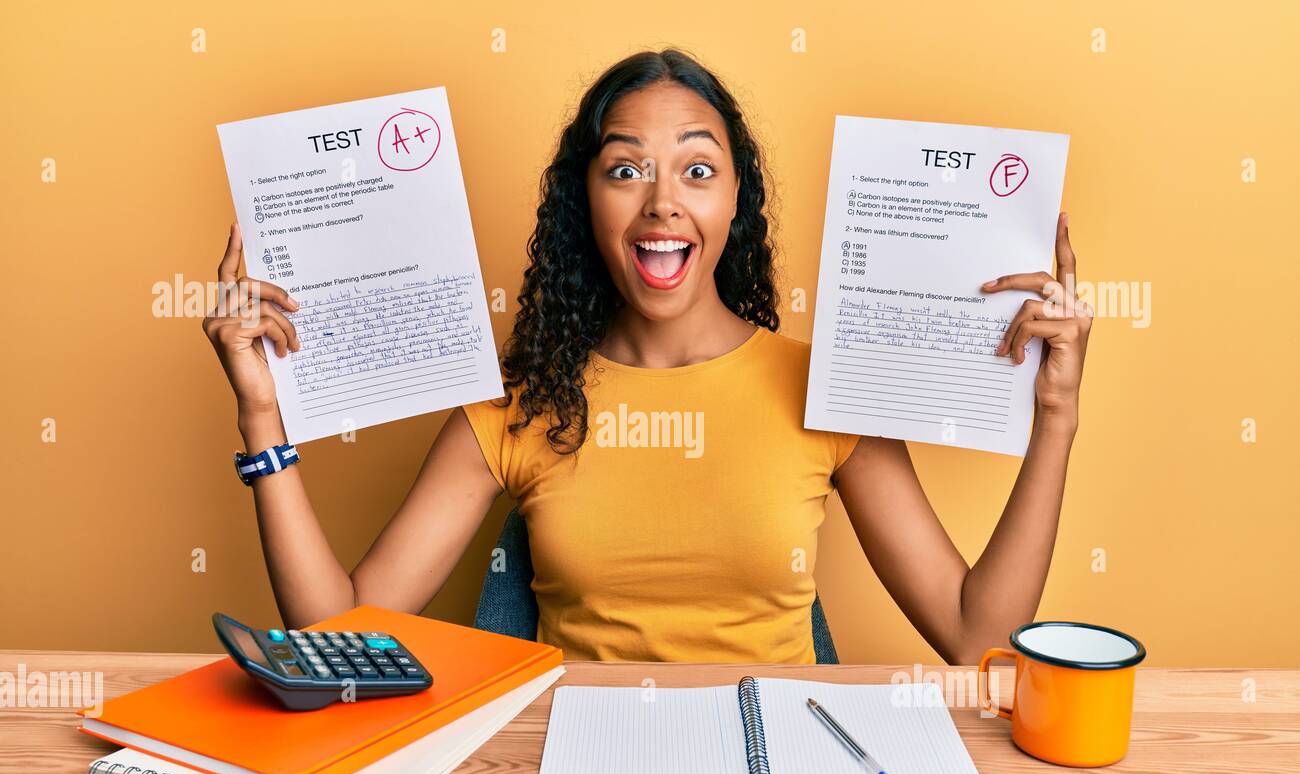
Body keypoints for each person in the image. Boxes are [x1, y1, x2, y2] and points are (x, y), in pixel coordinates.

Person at [202, 48, 1090, 665]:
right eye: (625, 170)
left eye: (698, 171)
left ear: (736, 199)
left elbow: (980, 638)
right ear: (582, 203)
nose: (663, 203)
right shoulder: (516, 407)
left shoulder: (828, 389)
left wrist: (1055, 417)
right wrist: (261, 416)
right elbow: (334, 639)